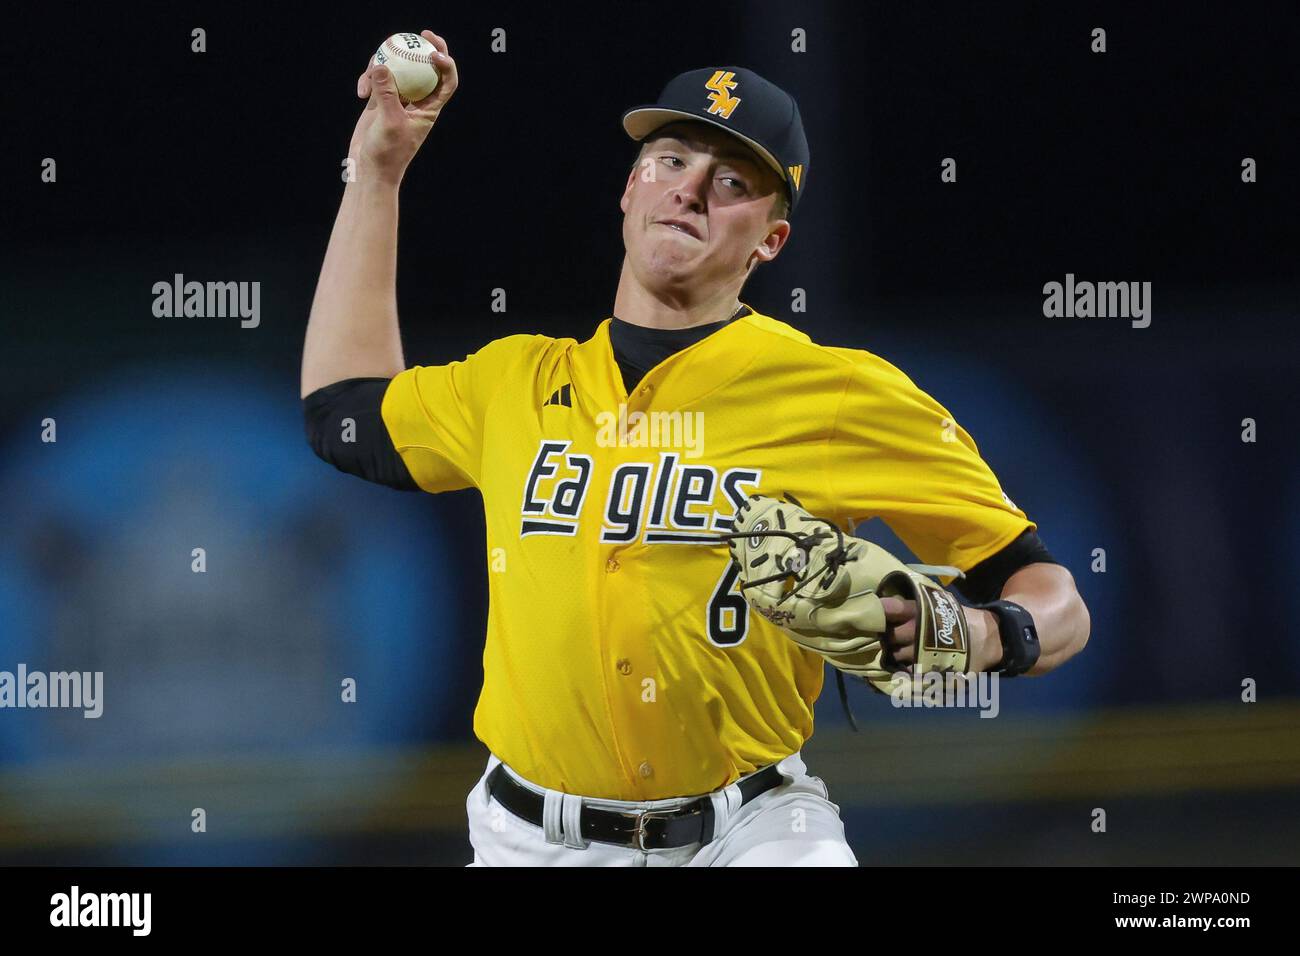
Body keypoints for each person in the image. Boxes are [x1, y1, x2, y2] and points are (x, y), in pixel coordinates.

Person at [300, 31, 1091, 866]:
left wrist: (986, 632)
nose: (690, 192)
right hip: (527, 841)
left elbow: (1052, 594)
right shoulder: (513, 384)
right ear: (629, 188)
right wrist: (377, 174)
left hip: (752, 832)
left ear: (770, 242)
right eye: (670, 159)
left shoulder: (838, 393)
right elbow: (339, 413)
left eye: (733, 182)